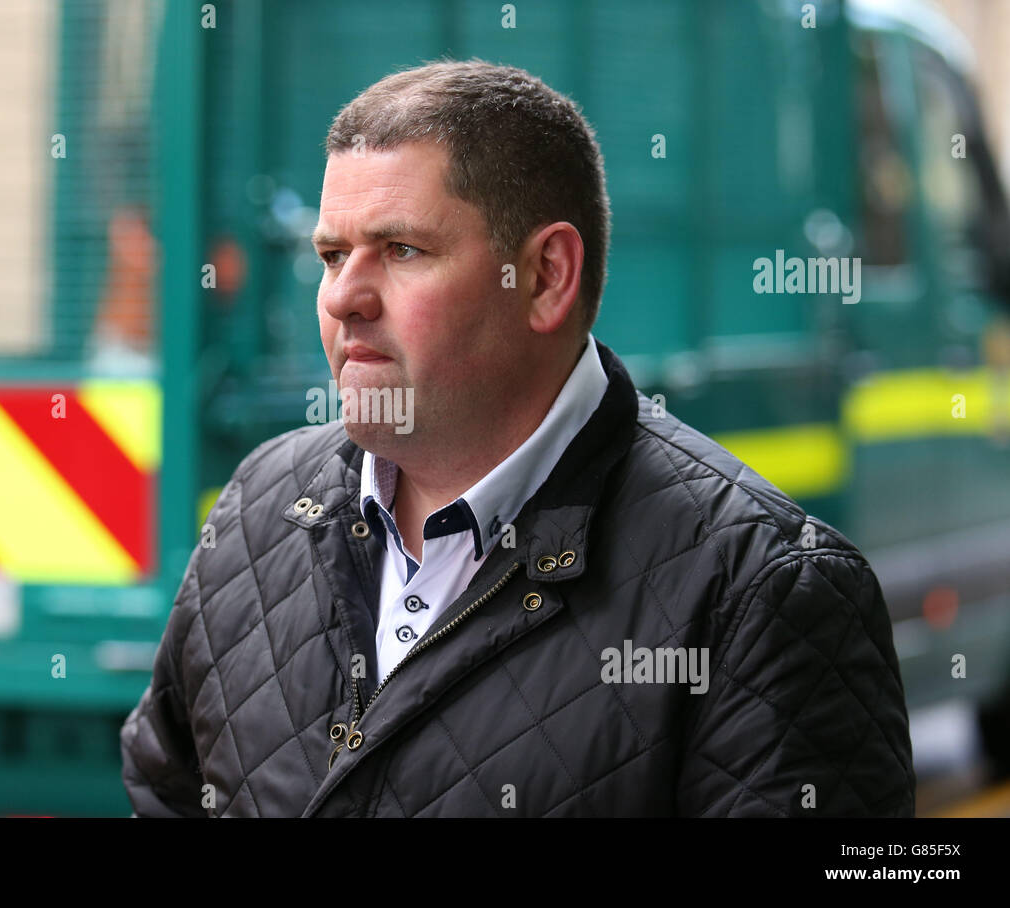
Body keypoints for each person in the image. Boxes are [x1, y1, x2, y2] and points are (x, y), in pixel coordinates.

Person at [120, 60, 915, 817]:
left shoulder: (760, 590)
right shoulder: (262, 507)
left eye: (401, 251)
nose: (344, 298)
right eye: (331, 255)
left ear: (544, 277)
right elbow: (167, 792)